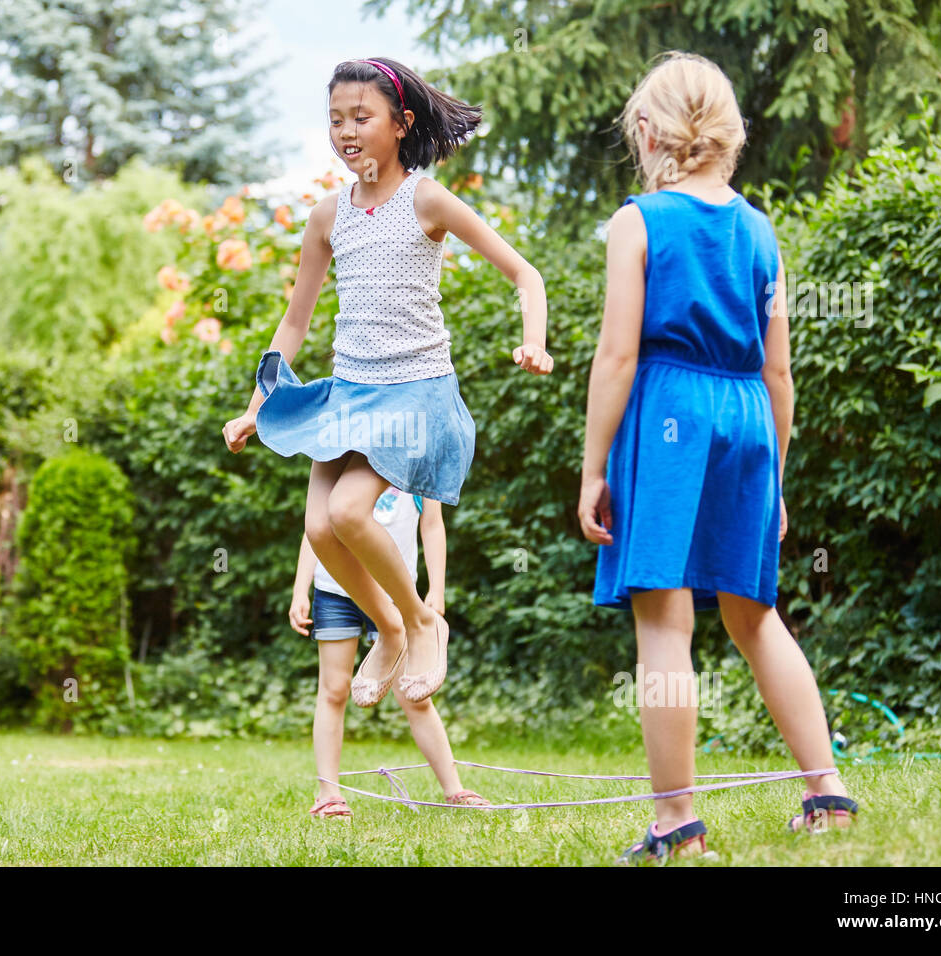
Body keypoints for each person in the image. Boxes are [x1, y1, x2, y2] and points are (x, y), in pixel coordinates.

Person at [577, 52, 857, 864]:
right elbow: (779, 370)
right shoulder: (759, 229)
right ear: (729, 134)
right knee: (754, 612)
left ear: (646, 130)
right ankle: (826, 791)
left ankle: (676, 824)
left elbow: (617, 357)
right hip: (745, 420)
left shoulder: (640, 220)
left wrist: (594, 468)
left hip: (669, 409)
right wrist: (773, 478)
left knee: (664, 617)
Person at [224, 57, 553, 709]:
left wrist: (534, 340)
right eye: (335, 120)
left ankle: (420, 622)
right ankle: (395, 629)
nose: (346, 131)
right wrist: (257, 405)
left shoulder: (424, 198)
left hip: (411, 392)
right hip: (349, 395)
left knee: (349, 511)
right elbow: (294, 322)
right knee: (321, 530)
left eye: (361, 117)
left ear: (401, 124)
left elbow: (526, 275)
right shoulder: (326, 216)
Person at [290, 485, 489, 818]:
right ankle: (329, 795)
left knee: (414, 695)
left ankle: (454, 789)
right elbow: (315, 527)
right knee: (334, 690)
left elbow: (433, 525)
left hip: (394, 592)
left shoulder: (413, 454)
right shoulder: (342, 452)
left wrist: (436, 590)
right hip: (334, 592)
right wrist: (300, 589)